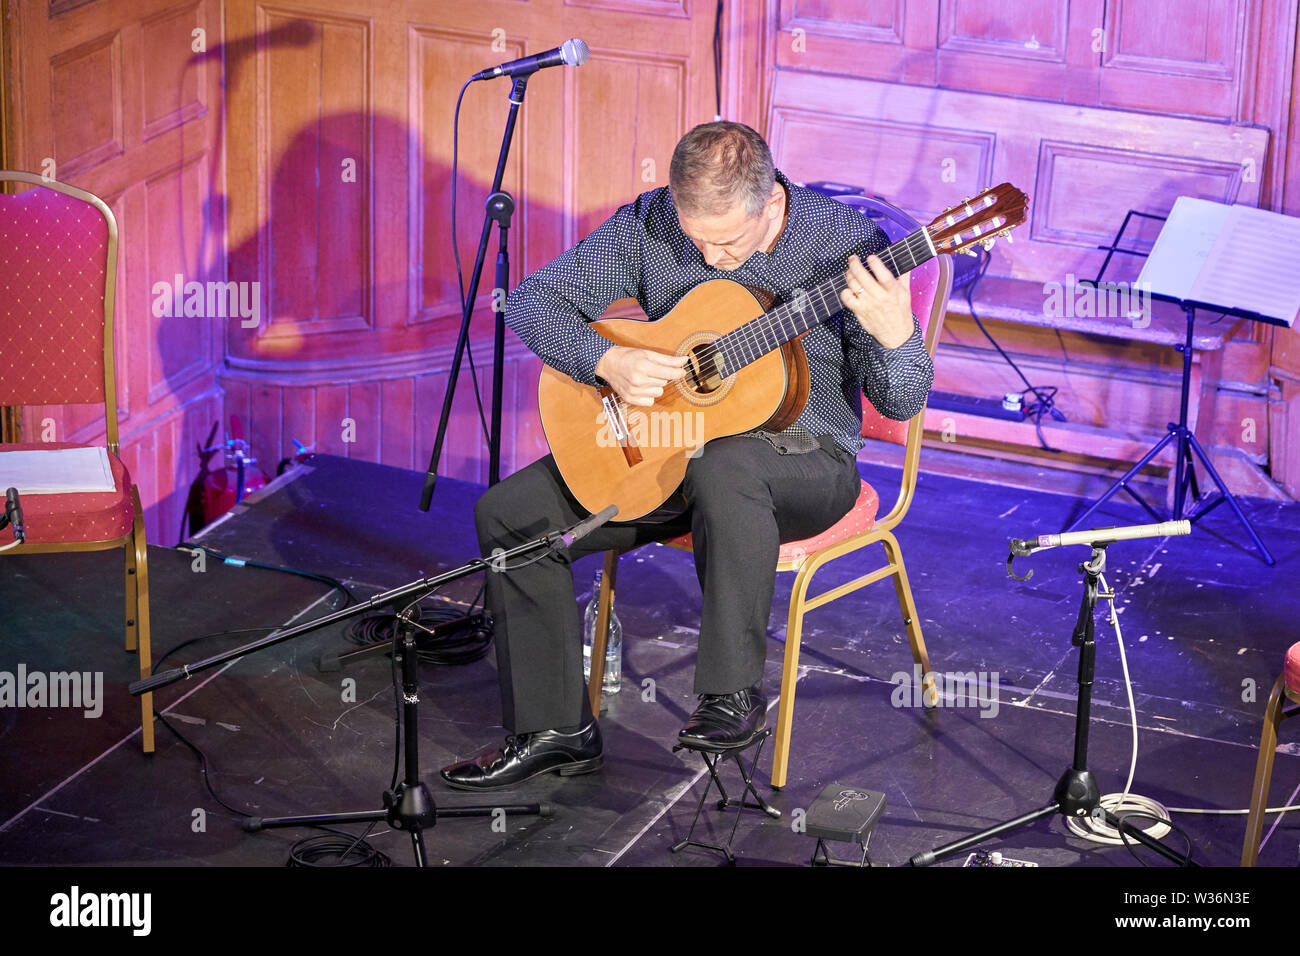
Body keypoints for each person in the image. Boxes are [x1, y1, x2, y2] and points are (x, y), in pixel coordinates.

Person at [440, 121, 933, 791]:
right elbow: (532, 302)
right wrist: (606, 358)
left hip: (806, 462)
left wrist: (897, 335)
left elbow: (899, 401)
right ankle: (554, 730)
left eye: (728, 241)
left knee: (724, 466)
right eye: (696, 239)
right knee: (512, 515)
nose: (713, 257)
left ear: (774, 205)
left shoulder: (846, 243)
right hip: (671, 448)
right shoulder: (651, 221)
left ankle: (730, 697)